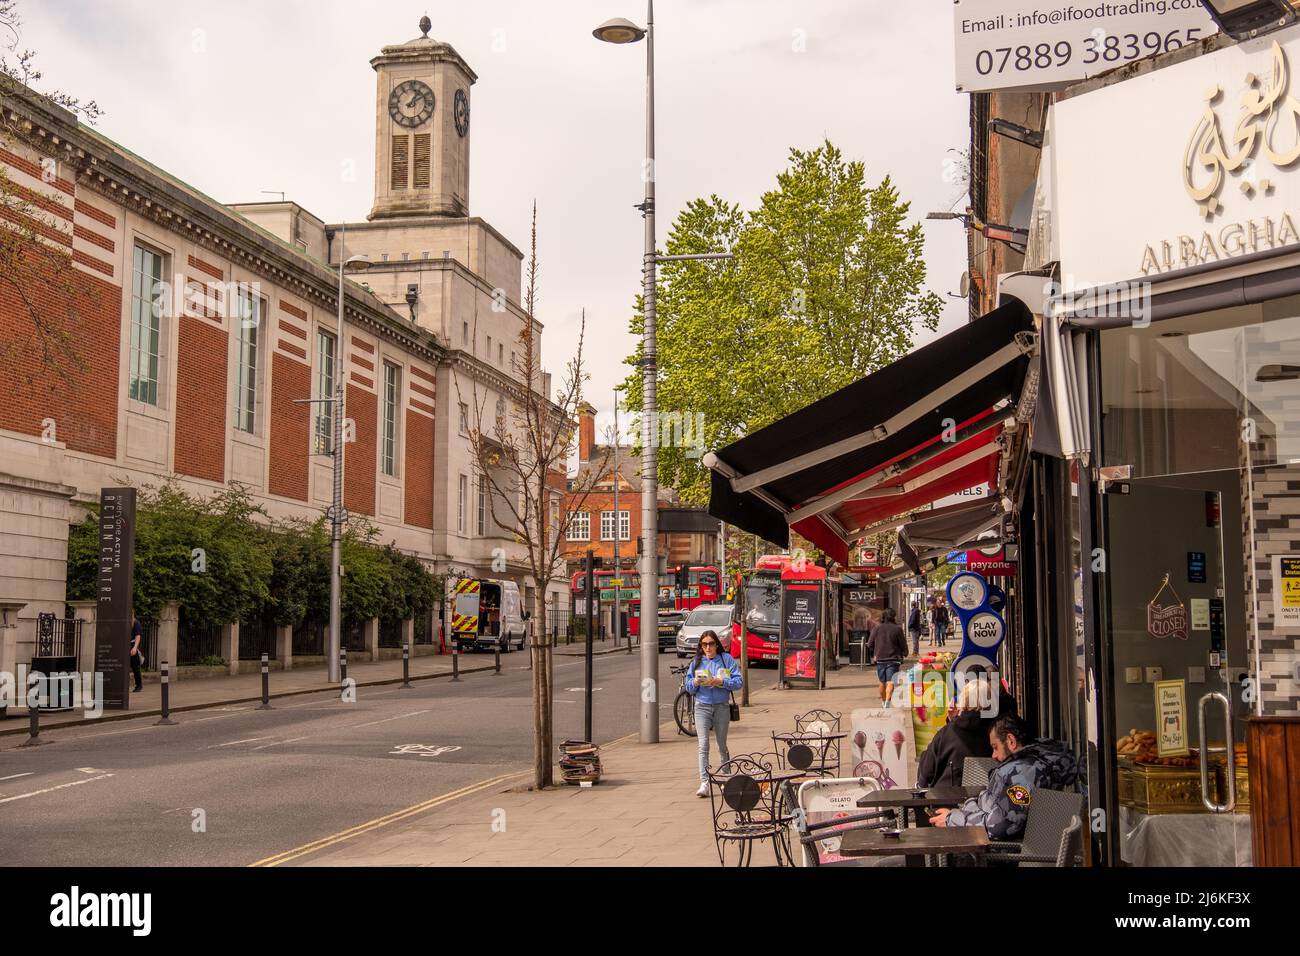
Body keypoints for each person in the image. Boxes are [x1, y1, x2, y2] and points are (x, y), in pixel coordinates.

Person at [929, 714, 1079, 840]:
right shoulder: (1034, 765)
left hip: (1005, 854)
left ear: (1011, 741)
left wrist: (952, 819)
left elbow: (1000, 826)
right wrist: (965, 810)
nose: (993, 755)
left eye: (995, 747)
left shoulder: (1020, 776)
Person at [686, 629, 743, 797]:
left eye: (711, 644)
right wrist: (695, 681)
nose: (708, 647)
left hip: (721, 707)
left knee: (722, 745)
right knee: (703, 745)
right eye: (704, 644)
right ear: (701, 646)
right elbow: (688, 687)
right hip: (702, 706)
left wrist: (722, 681)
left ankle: (726, 778)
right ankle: (705, 782)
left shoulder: (726, 660)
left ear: (717, 644)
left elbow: (738, 682)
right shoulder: (696, 662)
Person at [915, 677, 994, 788]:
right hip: (987, 798)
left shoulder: (947, 733)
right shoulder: (997, 731)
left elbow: (926, 772)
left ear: (964, 701)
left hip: (949, 798)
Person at [865, 607, 908, 704]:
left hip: (880, 659)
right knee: (891, 682)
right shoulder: (897, 629)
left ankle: (884, 701)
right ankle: (888, 702)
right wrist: (905, 653)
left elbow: (870, 644)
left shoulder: (877, 628)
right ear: (893, 617)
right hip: (894, 659)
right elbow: (903, 644)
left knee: (882, 682)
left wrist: (876, 653)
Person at [129, 616, 144, 693]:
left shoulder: (135, 623)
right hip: (125, 646)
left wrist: (135, 647)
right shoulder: (125, 622)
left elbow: (138, 635)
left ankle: (139, 685)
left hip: (132, 646)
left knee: (135, 668)